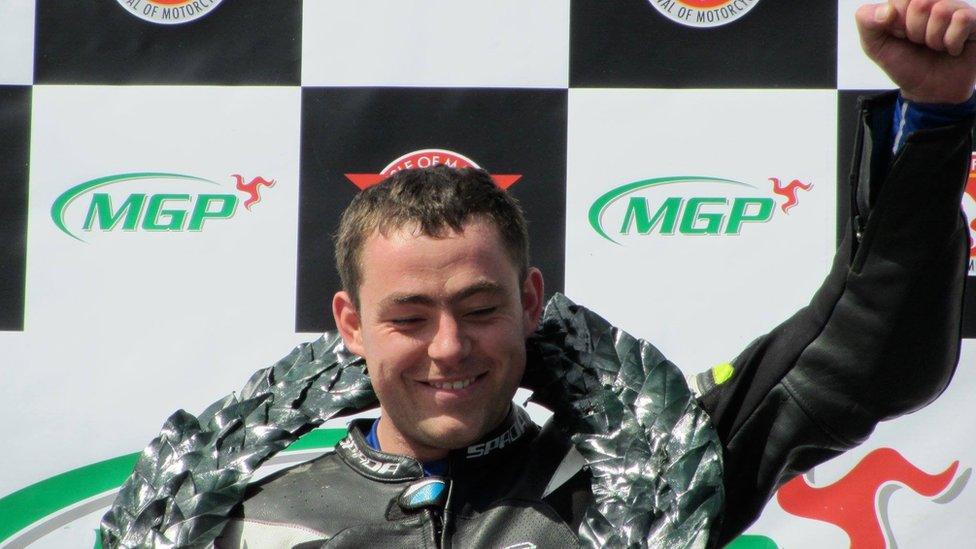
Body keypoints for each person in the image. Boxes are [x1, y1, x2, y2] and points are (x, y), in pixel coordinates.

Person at [101, 1, 976, 547]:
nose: (449, 346)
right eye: (409, 316)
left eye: (478, 307)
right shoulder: (239, 523)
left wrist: (936, 119)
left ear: (530, 301)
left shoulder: (655, 467)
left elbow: (862, 354)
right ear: (350, 324)